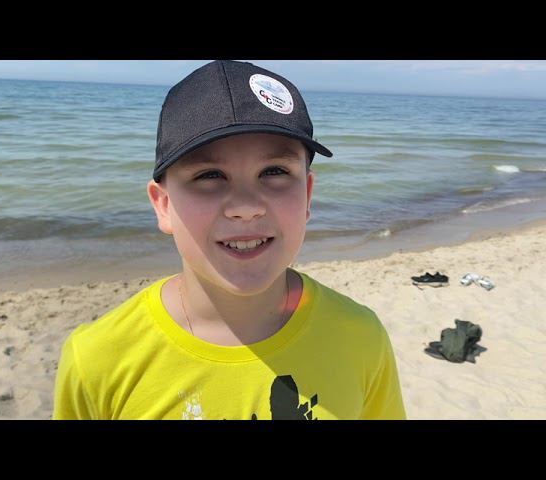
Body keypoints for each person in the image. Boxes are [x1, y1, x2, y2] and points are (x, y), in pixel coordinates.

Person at [52, 60, 406, 420]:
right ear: (164, 205)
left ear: (307, 196)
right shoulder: (97, 360)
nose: (246, 207)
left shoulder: (361, 338)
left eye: (274, 171)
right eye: (209, 175)